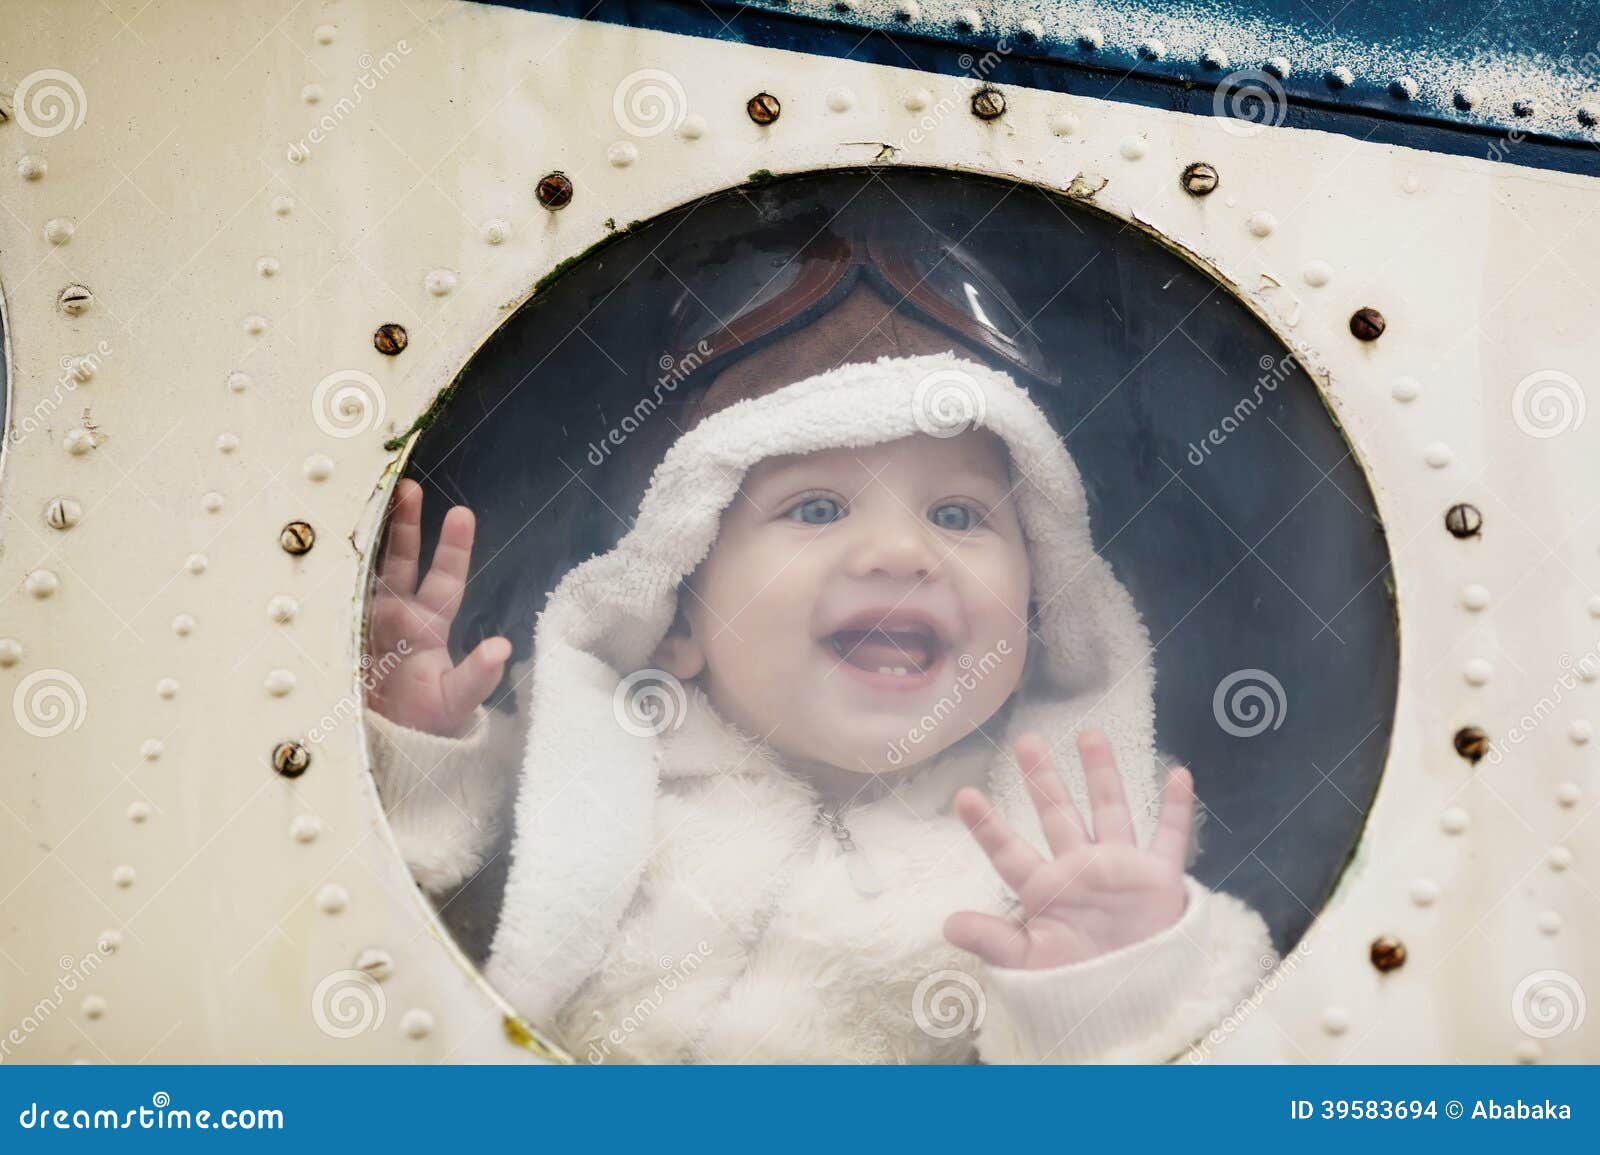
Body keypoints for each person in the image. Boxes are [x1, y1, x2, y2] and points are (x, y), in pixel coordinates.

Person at [362, 238, 1277, 1063]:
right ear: (675, 616)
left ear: (1040, 615)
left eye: (958, 514)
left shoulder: (1072, 858)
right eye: (816, 508)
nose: (901, 552)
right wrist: (410, 759)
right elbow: (384, 956)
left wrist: (1116, 989)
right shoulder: (570, 776)